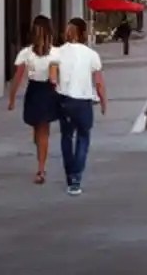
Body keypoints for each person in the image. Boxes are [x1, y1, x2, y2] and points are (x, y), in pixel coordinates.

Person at [49, 17, 106, 196]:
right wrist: (103, 102)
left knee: (66, 137)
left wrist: (57, 90)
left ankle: (70, 176)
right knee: (83, 137)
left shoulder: (57, 53)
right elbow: (99, 82)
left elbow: (52, 78)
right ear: (84, 33)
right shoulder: (91, 55)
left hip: (64, 100)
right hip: (83, 102)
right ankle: (76, 179)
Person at [7, 15, 60, 184]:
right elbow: (59, 77)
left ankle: (41, 169)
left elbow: (17, 77)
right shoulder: (56, 53)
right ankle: (41, 165)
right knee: (42, 131)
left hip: (34, 91)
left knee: (40, 131)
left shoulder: (26, 53)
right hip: (48, 91)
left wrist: (12, 98)